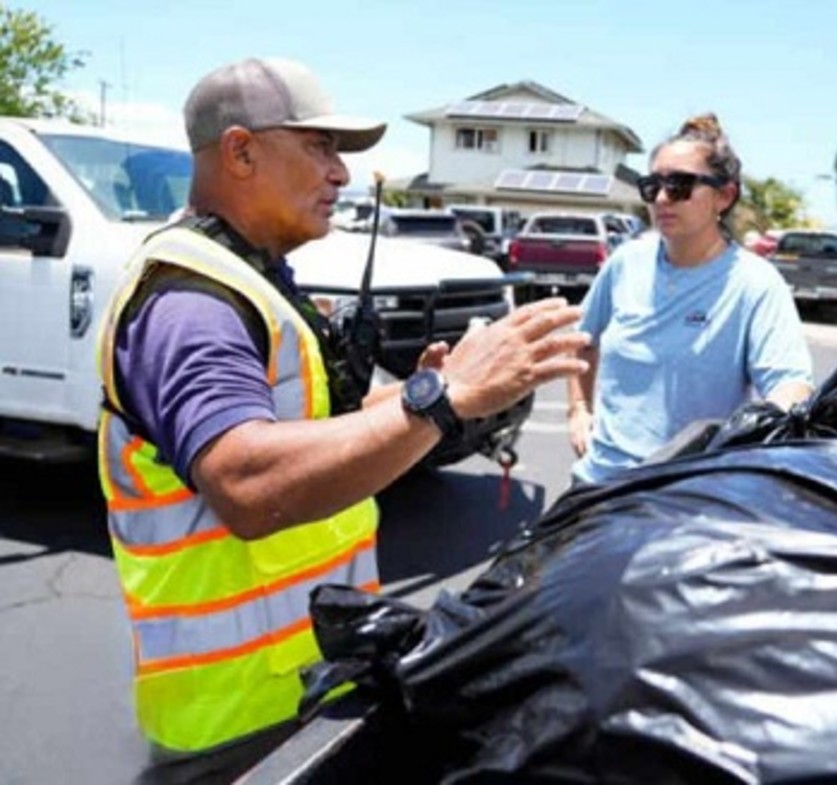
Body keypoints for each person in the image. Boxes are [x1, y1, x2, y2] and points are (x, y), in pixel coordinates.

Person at [95, 56, 589, 782]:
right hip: (233, 728)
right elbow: (245, 479)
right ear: (241, 151)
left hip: (304, 689)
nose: (341, 174)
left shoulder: (253, 275)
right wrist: (439, 401)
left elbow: (314, 423)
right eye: (319, 147)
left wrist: (443, 393)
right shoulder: (192, 306)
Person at [566, 113, 815, 485]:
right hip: (598, 484)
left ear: (725, 195)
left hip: (687, 495)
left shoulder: (755, 283)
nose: (663, 199)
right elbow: (582, 342)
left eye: (680, 185)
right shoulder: (625, 263)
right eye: (653, 186)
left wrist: (777, 417)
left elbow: (789, 383)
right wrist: (578, 409)